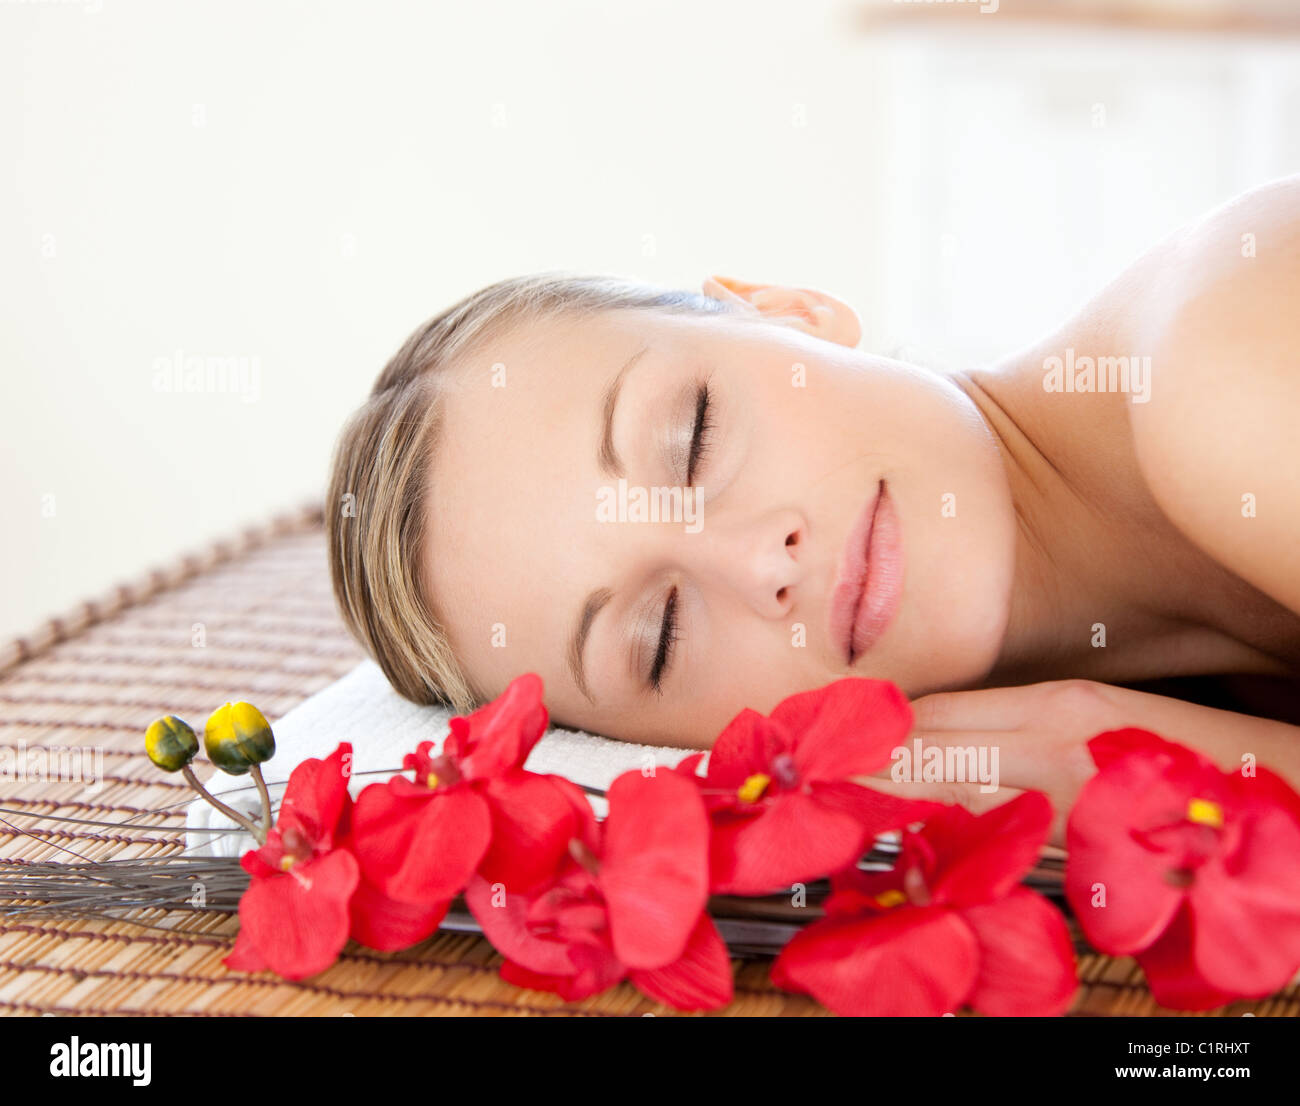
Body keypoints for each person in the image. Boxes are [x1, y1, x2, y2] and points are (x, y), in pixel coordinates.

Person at [327, 175, 1300, 842]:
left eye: (693, 434)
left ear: (786, 308)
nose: (761, 561)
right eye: (659, 635)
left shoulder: (1217, 369)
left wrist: (1206, 773)